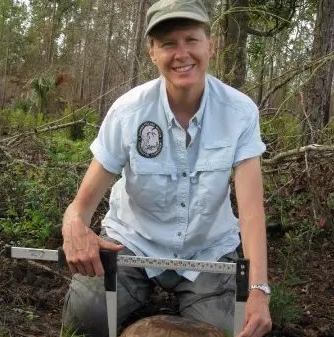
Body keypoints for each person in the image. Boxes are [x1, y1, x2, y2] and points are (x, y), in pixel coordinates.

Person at [61, 0, 272, 336]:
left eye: (191, 40)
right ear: (152, 52)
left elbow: (250, 212)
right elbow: (82, 204)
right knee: (87, 319)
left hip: (208, 251)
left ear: (211, 45)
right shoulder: (128, 111)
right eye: (168, 44)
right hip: (132, 244)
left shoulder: (239, 112)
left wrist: (260, 289)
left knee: (232, 329)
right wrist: (74, 225)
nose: (181, 54)